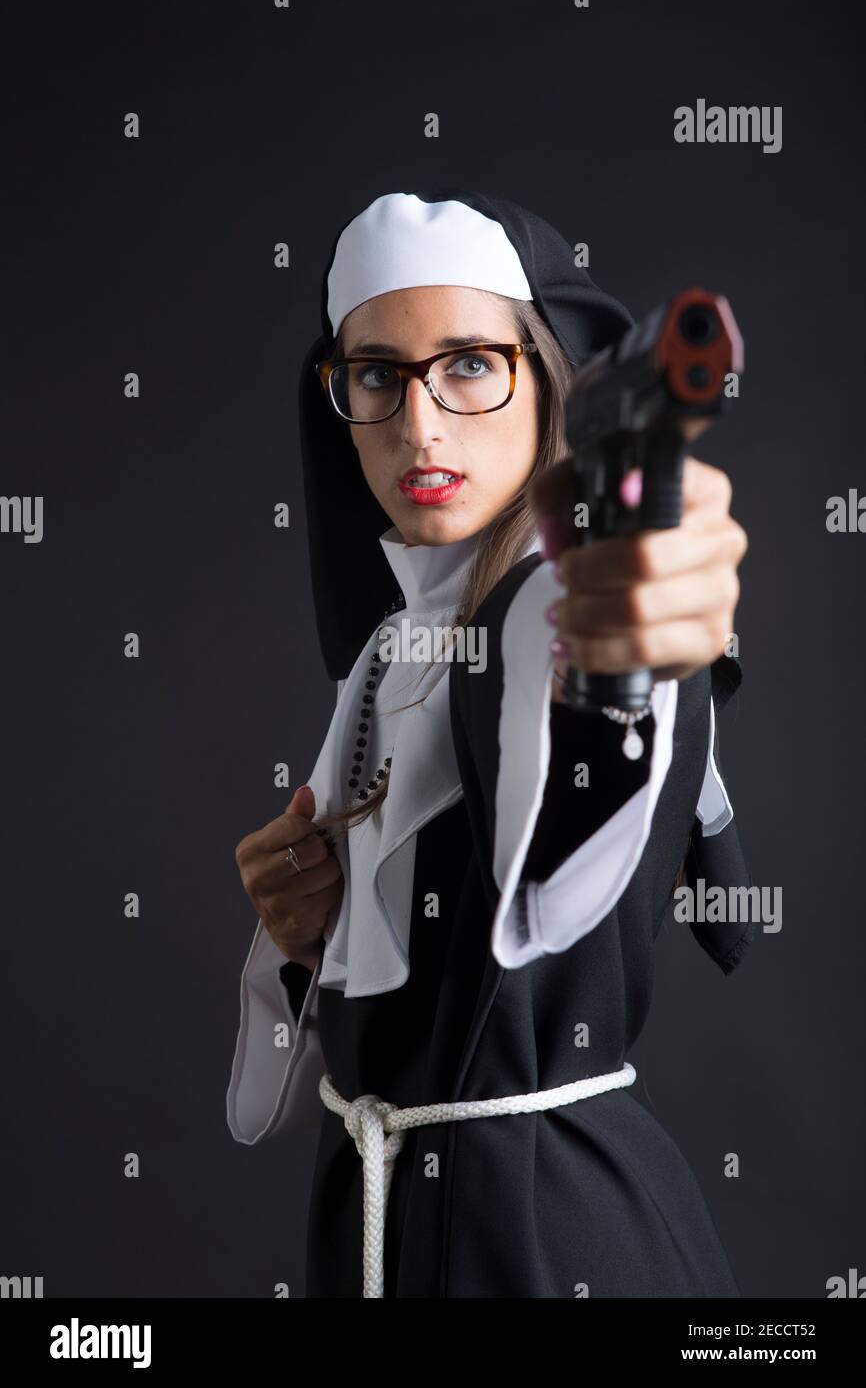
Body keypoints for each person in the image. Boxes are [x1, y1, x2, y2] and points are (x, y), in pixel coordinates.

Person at [226, 189, 756, 1298]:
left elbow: (559, 853)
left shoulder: (541, 605)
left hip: (545, 1236)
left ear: (546, 372)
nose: (419, 424)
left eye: (469, 364)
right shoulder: (386, 648)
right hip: (377, 1221)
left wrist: (619, 649)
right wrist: (299, 933)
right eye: (377, 374)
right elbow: (270, 1093)